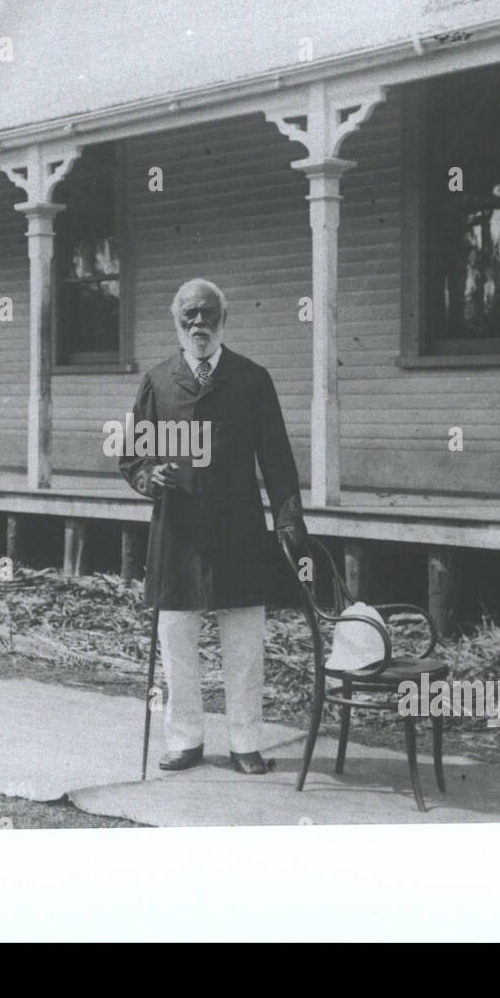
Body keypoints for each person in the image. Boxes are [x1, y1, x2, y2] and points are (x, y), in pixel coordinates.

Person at [119, 278, 307, 774]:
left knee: (243, 644)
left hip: (239, 529)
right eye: (189, 316)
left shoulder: (251, 379)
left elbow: (277, 457)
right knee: (176, 640)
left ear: (223, 319)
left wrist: (290, 522)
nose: (198, 324)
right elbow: (133, 455)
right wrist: (148, 474)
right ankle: (185, 740)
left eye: (207, 315)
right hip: (177, 532)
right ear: (176, 322)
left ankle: (245, 742)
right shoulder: (158, 381)